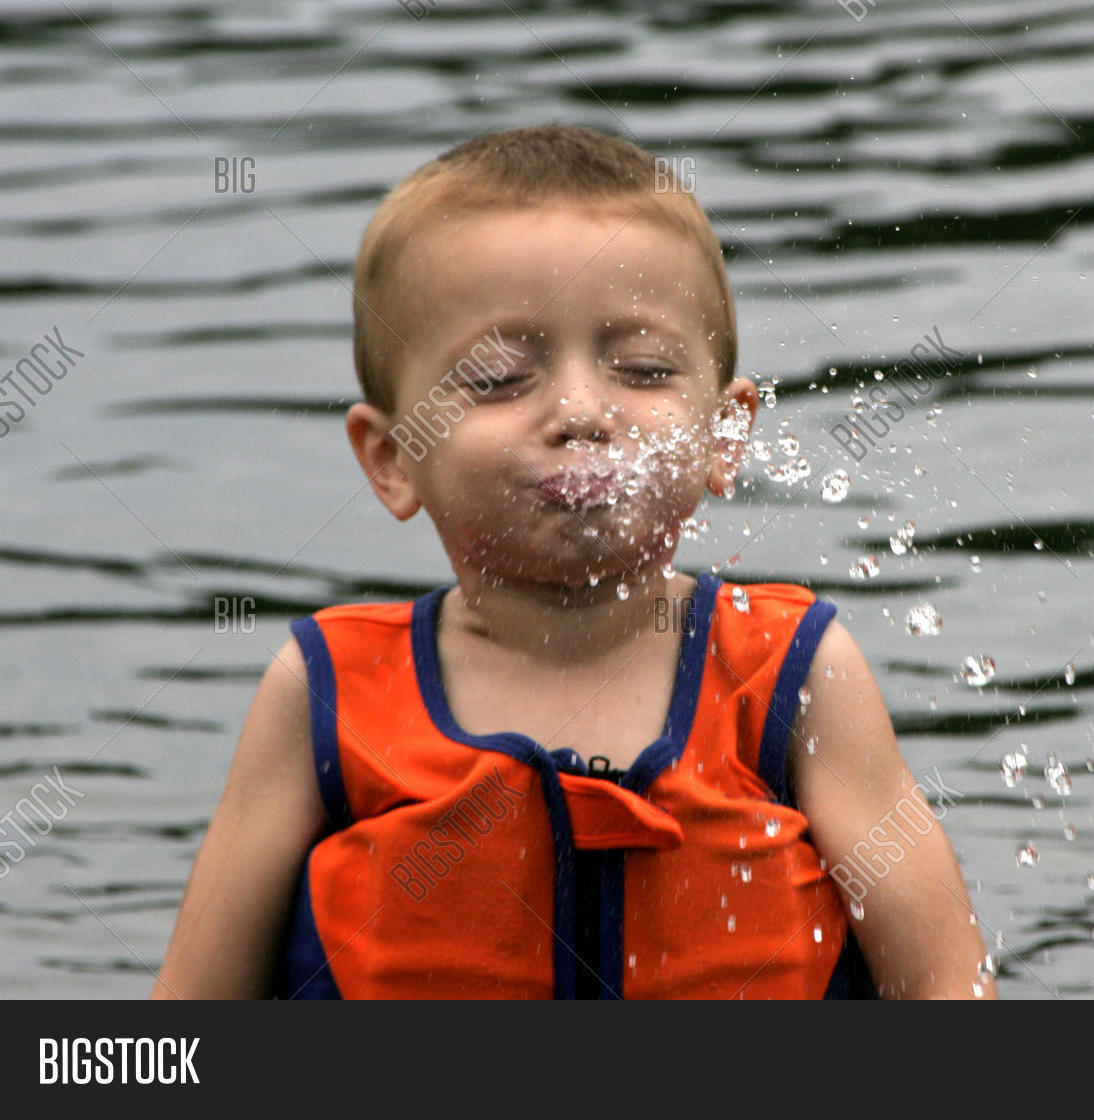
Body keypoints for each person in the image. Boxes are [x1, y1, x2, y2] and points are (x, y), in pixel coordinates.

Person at [151, 124, 995, 999]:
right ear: (393, 458)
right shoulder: (323, 695)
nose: (582, 410)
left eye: (640, 368)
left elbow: (947, 989)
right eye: (498, 377)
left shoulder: (793, 676)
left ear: (724, 435)